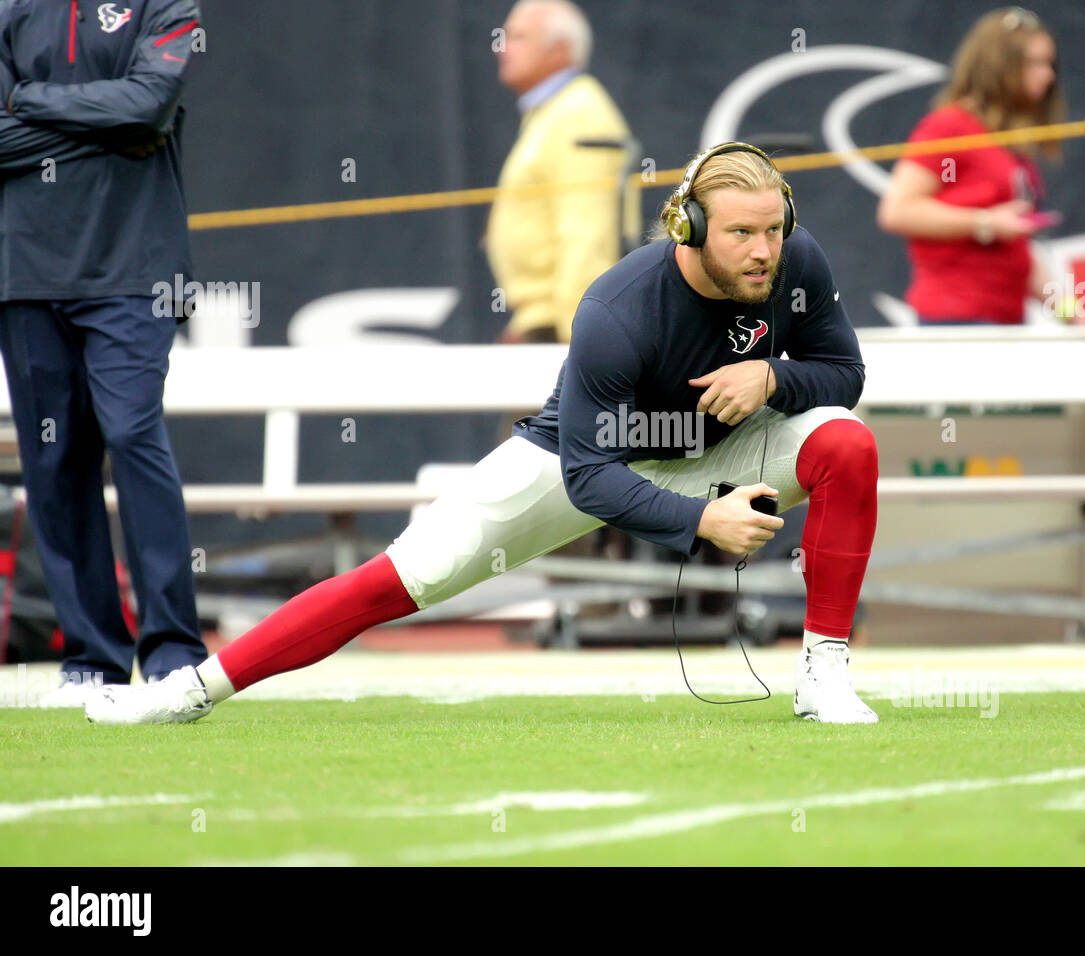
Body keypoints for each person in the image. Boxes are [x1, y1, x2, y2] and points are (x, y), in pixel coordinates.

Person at [86, 143, 883, 726]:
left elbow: (842, 374)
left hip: (713, 444)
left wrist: (775, 377)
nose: (765, 251)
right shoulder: (619, 309)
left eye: (775, 230)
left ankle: (824, 673)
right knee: (396, 579)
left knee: (846, 441)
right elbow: (590, 477)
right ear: (690, 226)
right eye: (742, 233)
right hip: (583, 458)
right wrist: (702, 521)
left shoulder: (794, 264)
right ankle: (190, 691)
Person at [0, 0, 207, 707]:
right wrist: (108, 126)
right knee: (55, 459)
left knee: (131, 432)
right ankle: (91, 654)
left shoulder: (167, 6)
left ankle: (175, 648)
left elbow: (149, 105)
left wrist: (28, 100)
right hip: (26, 272)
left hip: (136, 269)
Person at [877, 6, 1066, 325]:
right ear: (998, 67)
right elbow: (897, 211)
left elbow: (1019, 252)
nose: (1048, 75)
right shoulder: (949, 126)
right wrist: (985, 223)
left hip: (1003, 320)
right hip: (956, 319)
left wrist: (1073, 315)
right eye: (1035, 63)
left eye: (1050, 64)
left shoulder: (1006, 141)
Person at [486, 0, 636, 346]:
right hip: (546, 322)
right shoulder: (556, 112)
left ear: (560, 49)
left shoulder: (579, 114)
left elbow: (588, 236)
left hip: (561, 329)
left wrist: (578, 345)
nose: (502, 48)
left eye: (520, 37)